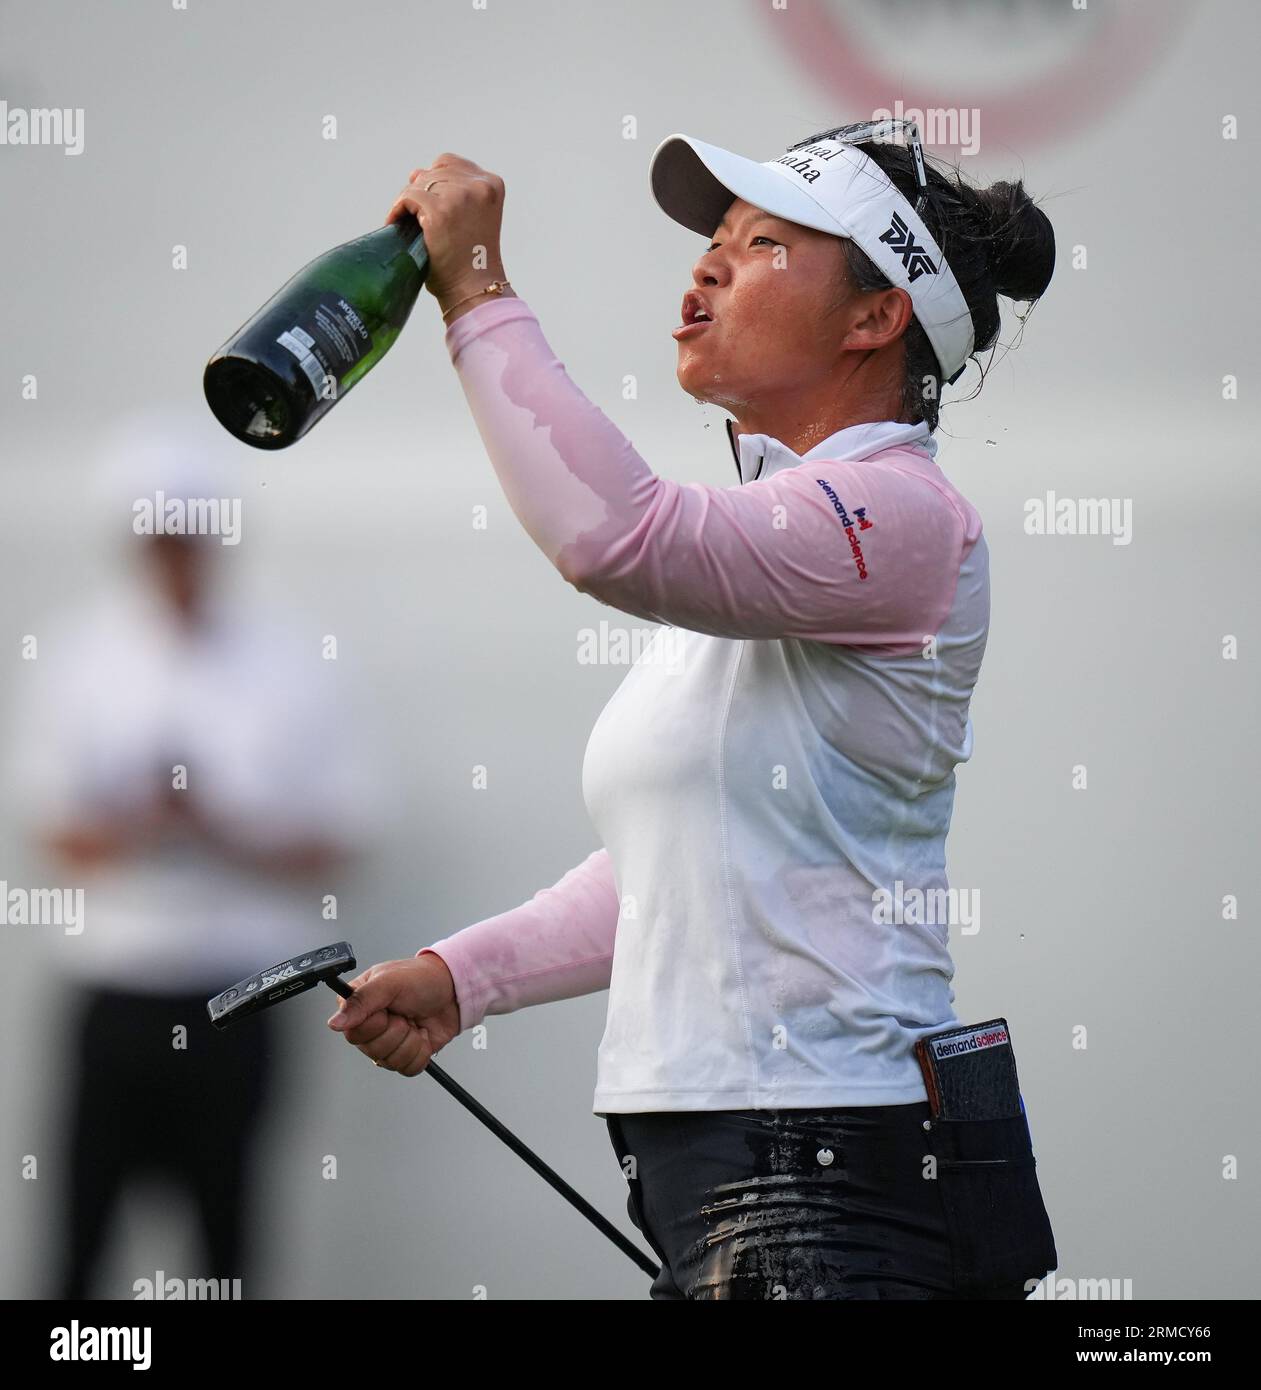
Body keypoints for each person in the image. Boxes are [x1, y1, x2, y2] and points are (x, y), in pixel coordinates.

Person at [326, 121, 1059, 1299]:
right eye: (713, 241)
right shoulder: (777, 542)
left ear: (876, 319)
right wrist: (464, 975)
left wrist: (476, 289)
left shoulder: (901, 512)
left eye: (760, 244)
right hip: (751, 1178)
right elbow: (680, 867)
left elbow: (613, 535)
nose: (707, 265)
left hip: (830, 1176)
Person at [10, 409, 380, 1298]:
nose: (173, 555)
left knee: (228, 1240)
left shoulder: (291, 659)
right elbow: (52, 834)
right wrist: (148, 823)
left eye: (186, 535)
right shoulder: (78, 656)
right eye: (156, 536)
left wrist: (219, 832)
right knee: (80, 1238)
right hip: (115, 991)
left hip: (240, 996)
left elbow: (343, 841)